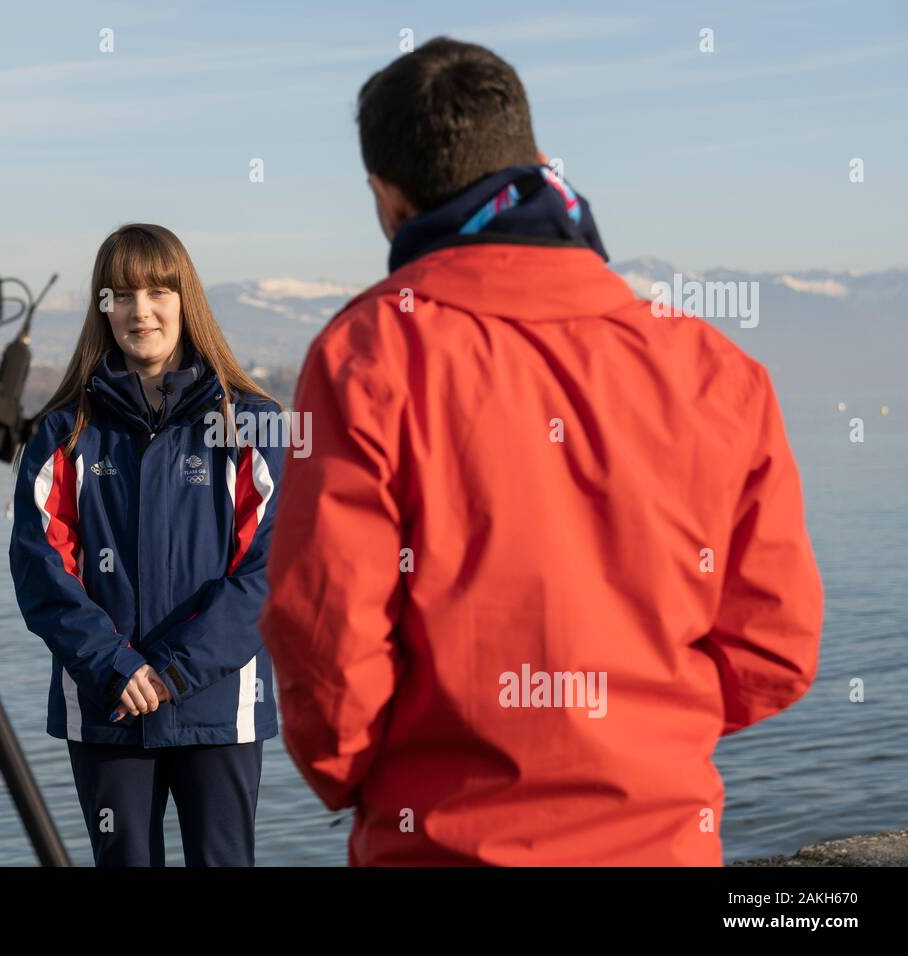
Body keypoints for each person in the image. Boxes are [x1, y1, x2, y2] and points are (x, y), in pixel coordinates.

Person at [258, 37, 823, 866]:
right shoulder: (714, 370)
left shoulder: (367, 354)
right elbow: (775, 644)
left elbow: (326, 634)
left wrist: (366, 772)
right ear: (539, 164)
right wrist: (640, 737)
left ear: (386, 200)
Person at [9, 223, 284, 867]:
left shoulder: (251, 424)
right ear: (102, 308)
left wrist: (177, 671)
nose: (141, 310)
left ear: (185, 298)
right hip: (109, 705)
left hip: (217, 704)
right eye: (122, 294)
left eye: (159, 291)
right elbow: (41, 569)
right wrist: (114, 665)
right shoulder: (63, 431)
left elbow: (268, 570)